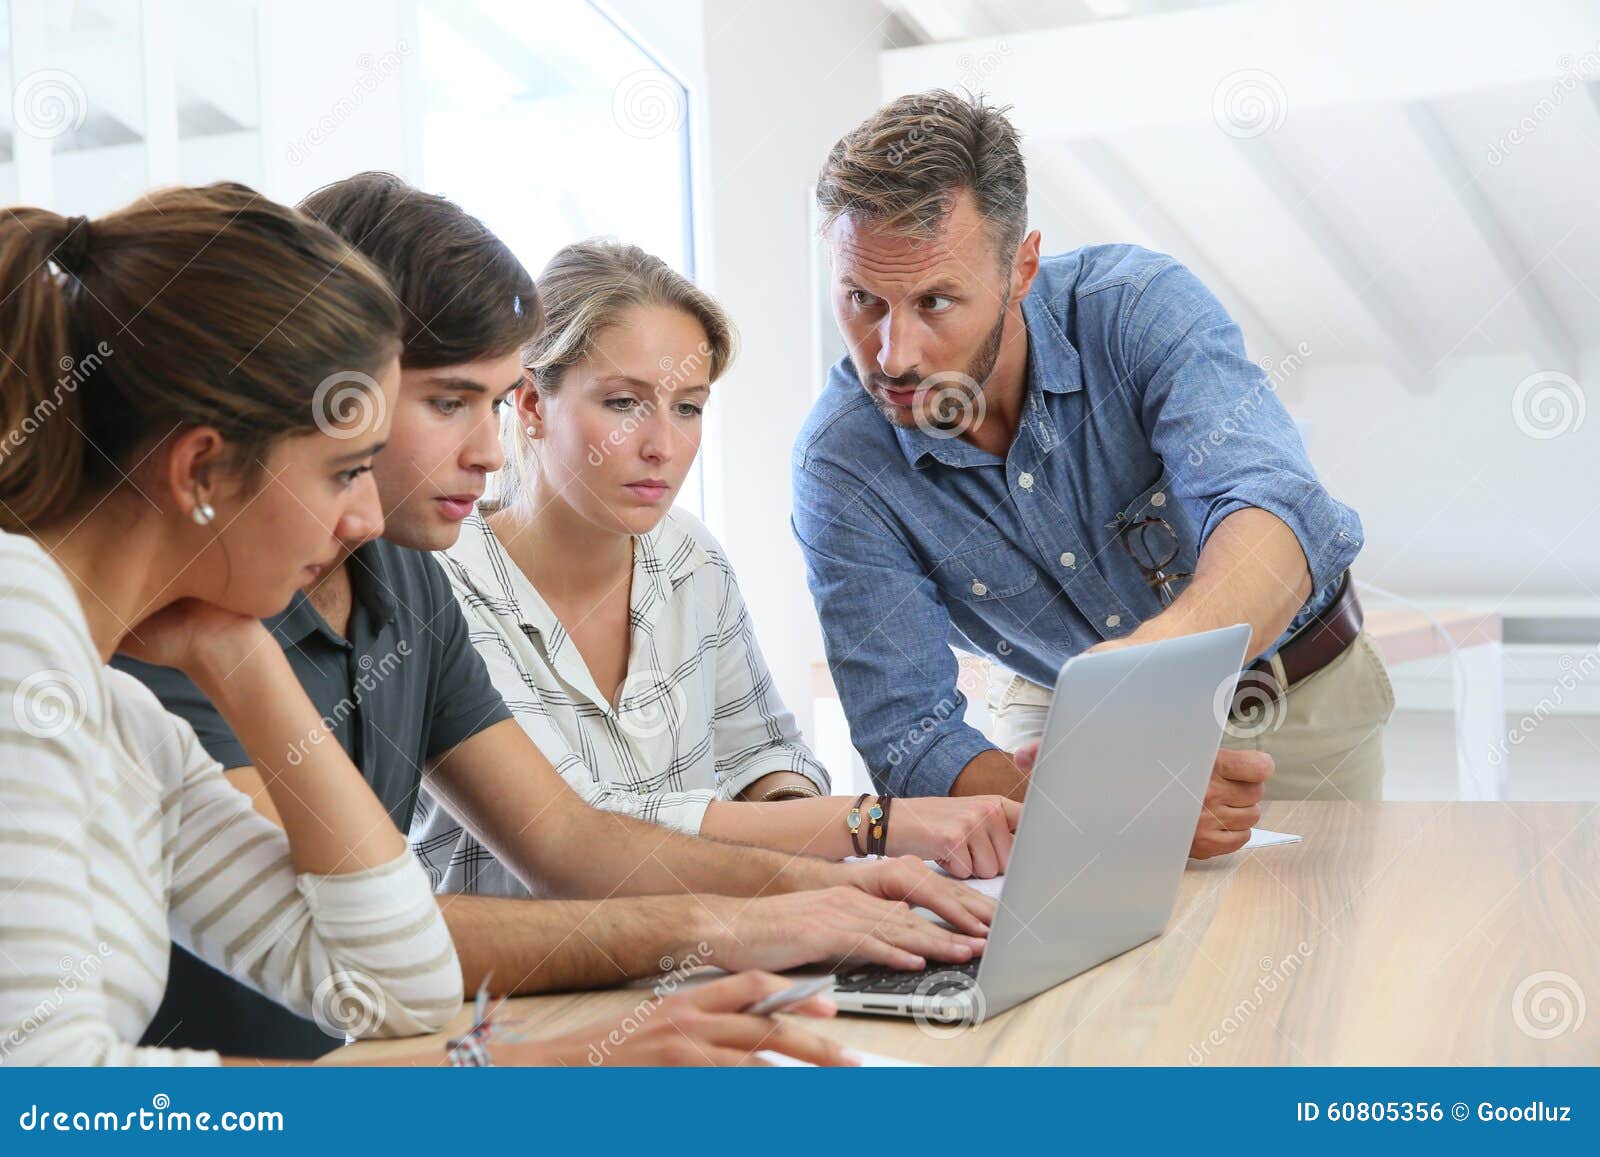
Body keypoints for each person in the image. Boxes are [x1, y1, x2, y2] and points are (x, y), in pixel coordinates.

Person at [117, 173, 993, 1062]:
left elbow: (564, 838)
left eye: (493, 404)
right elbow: (350, 946)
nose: (491, 451)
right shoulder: (179, 621)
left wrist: (827, 892)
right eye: (449, 401)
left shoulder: (403, 578)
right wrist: (723, 927)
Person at [794, 91, 1393, 844]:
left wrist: (1149, 668)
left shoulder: (1138, 309)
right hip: (1066, 725)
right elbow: (911, 736)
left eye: (936, 300)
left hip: (1290, 696)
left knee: (1323, 951)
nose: (894, 355)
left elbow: (1273, 505)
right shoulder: (840, 462)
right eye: (862, 300)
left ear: (1022, 267)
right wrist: (1109, 790)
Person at [0, 184, 463, 1064]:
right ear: (203, 469)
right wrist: (482, 1075)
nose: (366, 519)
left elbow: (399, 993)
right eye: (344, 471)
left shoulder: (129, 726)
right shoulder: (13, 611)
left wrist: (240, 656)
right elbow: (41, 1102)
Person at [409, 239, 1019, 902]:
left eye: (688, 406)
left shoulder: (689, 558)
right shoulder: (442, 585)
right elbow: (585, 831)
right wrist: (873, 824)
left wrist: (791, 815)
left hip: (699, 955)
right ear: (530, 404)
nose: (662, 447)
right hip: (521, 990)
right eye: (623, 403)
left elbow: (764, 756)